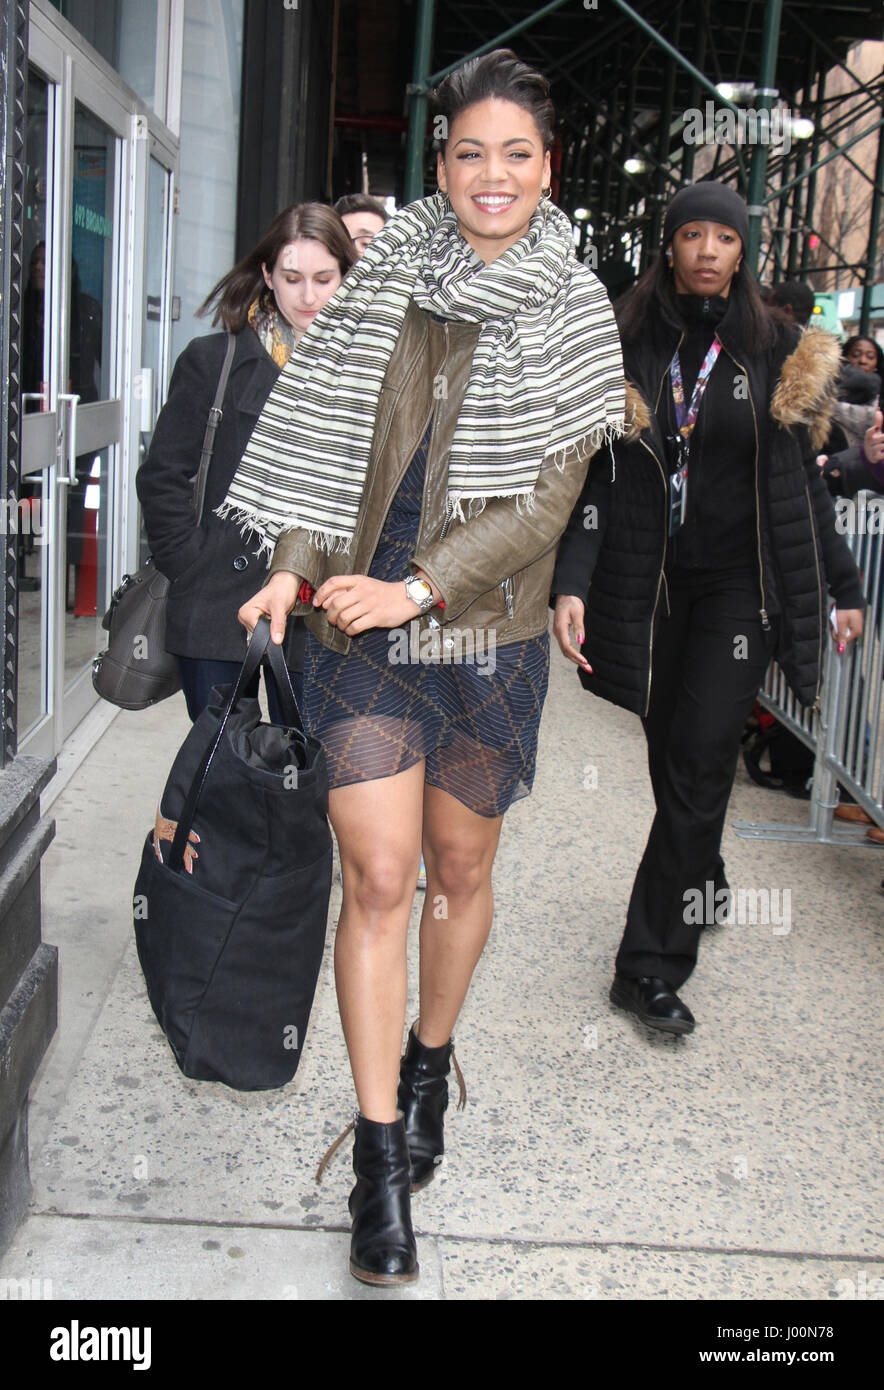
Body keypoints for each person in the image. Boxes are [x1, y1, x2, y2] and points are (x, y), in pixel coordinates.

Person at [221, 49, 625, 1286]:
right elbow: (321, 435)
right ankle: (379, 1151)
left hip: (479, 628)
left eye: (514, 155)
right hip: (357, 623)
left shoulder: (574, 304)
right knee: (380, 875)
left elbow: (550, 496)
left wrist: (418, 586)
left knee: (457, 868)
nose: (488, 175)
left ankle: (433, 1054)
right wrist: (293, 561)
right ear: (438, 165)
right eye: (466, 153)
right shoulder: (383, 277)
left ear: (545, 170)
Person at [552, 180, 865, 1039]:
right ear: (672, 245)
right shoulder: (624, 341)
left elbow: (802, 486)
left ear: (741, 252)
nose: (706, 251)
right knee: (671, 766)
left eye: (721, 238)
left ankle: (648, 965)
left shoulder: (782, 349)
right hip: (649, 591)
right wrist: (571, 580)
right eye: (691, 234)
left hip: (737, 592)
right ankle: (704, 872)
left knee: (697, 766)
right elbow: (595, 477)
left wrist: (845, 586)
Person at [137, 204, 356, 720]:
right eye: (292, 278)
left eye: (325, 279)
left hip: (319, 606)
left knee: (307, 772)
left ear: (348, 276)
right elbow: (163, 475)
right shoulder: (213, 360)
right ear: (266, 276)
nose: (309, 297)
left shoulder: (368, 367)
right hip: (216, 600)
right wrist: (190, 562)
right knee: (222, 770)